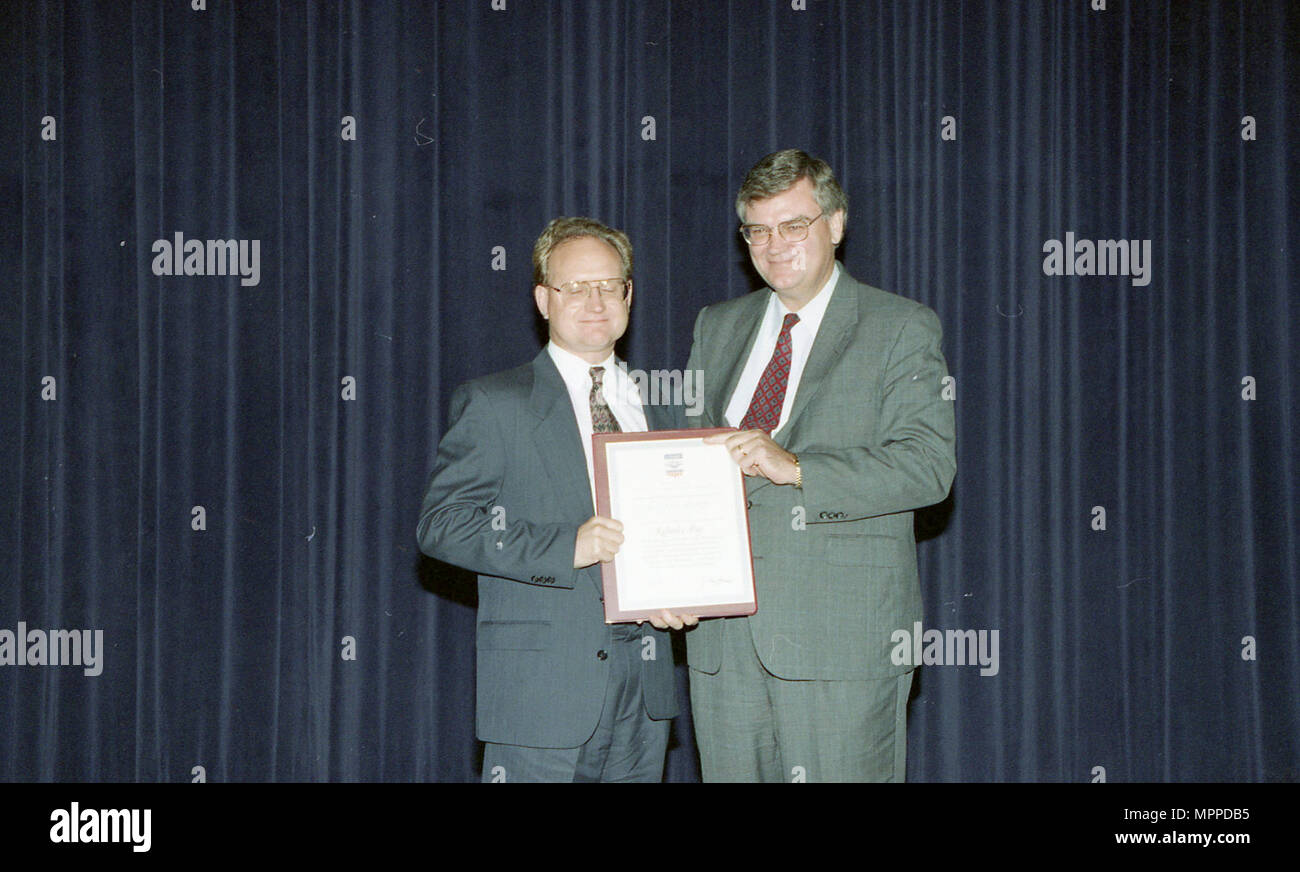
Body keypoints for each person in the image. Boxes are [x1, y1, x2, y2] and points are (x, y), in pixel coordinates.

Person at [684, 149, 956, 782]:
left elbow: (927, 466)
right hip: (723, 646)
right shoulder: (716, 327)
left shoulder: (899, 326)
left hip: (842, 641)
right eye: (758, 229)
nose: (774, 244)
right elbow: (686, 465)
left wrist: (799, 466)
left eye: (794, 225)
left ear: (835, 224)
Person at [417, 216, 691, 782]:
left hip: (645, 695)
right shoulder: (496, 403)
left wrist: (678, 592)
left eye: (608, 285)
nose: (594, 301)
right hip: (538, 697)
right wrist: (567, 545)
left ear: (628, 294)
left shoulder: (664, 411)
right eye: (574, 287)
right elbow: (441, 526)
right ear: (544, 299)